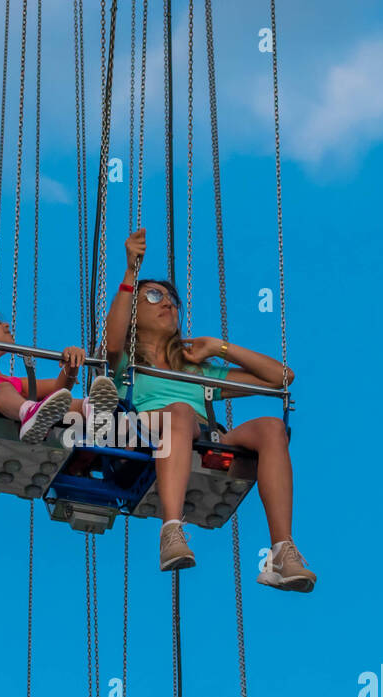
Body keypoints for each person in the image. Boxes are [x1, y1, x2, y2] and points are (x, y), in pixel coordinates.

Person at [102, 228, 316, 592]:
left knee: (270, 428)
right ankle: (172, 529)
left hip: (198, 435)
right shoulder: (126, 364)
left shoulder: (197, 370)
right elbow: (111, 340)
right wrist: (130, 275)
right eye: (154, 296)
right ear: (136, 314)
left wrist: (219, 348)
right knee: (181, 414)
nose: (168, 302)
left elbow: (281, 377)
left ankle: (281, 550)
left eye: (172, 298)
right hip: (146, 433)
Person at [0, 307, 118, 442]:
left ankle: (92, 411)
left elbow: (59, 388)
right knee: (4, 389)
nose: (5, 324)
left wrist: (71, 365)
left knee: (64, 399)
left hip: (13, 422)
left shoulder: (14, 382)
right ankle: (28, 413)